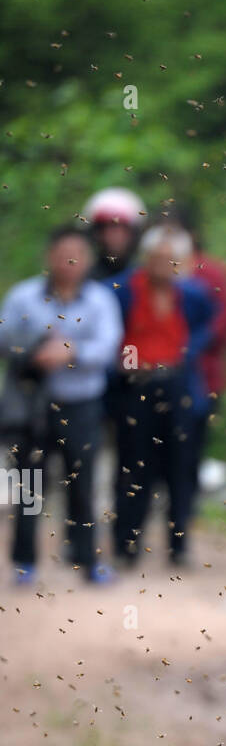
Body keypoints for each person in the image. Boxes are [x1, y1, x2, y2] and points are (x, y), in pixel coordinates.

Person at [0, 226, 123, 585]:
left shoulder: (101, 299)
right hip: (32, 404)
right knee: (30, 484)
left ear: (86, 259)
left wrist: (73, 351)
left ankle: (86, 560)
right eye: (62, 254)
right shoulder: (23, 297)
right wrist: (36, 348)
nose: (69, 262)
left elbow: (109, 347)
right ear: (49, 257)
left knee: (83, 486)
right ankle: (24, 562)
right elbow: (4, 337)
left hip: (81, 405)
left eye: (77, 254)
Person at [112, 226, 215, 567]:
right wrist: (127, 363)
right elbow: (115, 332)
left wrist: (184, 353)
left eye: (170, 260)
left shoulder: (193, 294)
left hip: (178, 385)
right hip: (136, 387)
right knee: (134, 466)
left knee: (181, 468)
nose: (162, 265)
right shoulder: (125, 289)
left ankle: (178, 547)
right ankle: (126, 545)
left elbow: (211, 327)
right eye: (157, 258)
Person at [162, 208, 226, 502]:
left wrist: (190, 345)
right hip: (161, 373)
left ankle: (184, 508)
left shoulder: (211, 271)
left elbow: (225, 318)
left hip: (204, 374)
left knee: (192, 444)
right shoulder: (155, 271)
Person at [81, 188, 147, 284]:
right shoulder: (82, 279)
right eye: (105, 228)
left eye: (120, 229)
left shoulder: (144, 280)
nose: (112, 236)